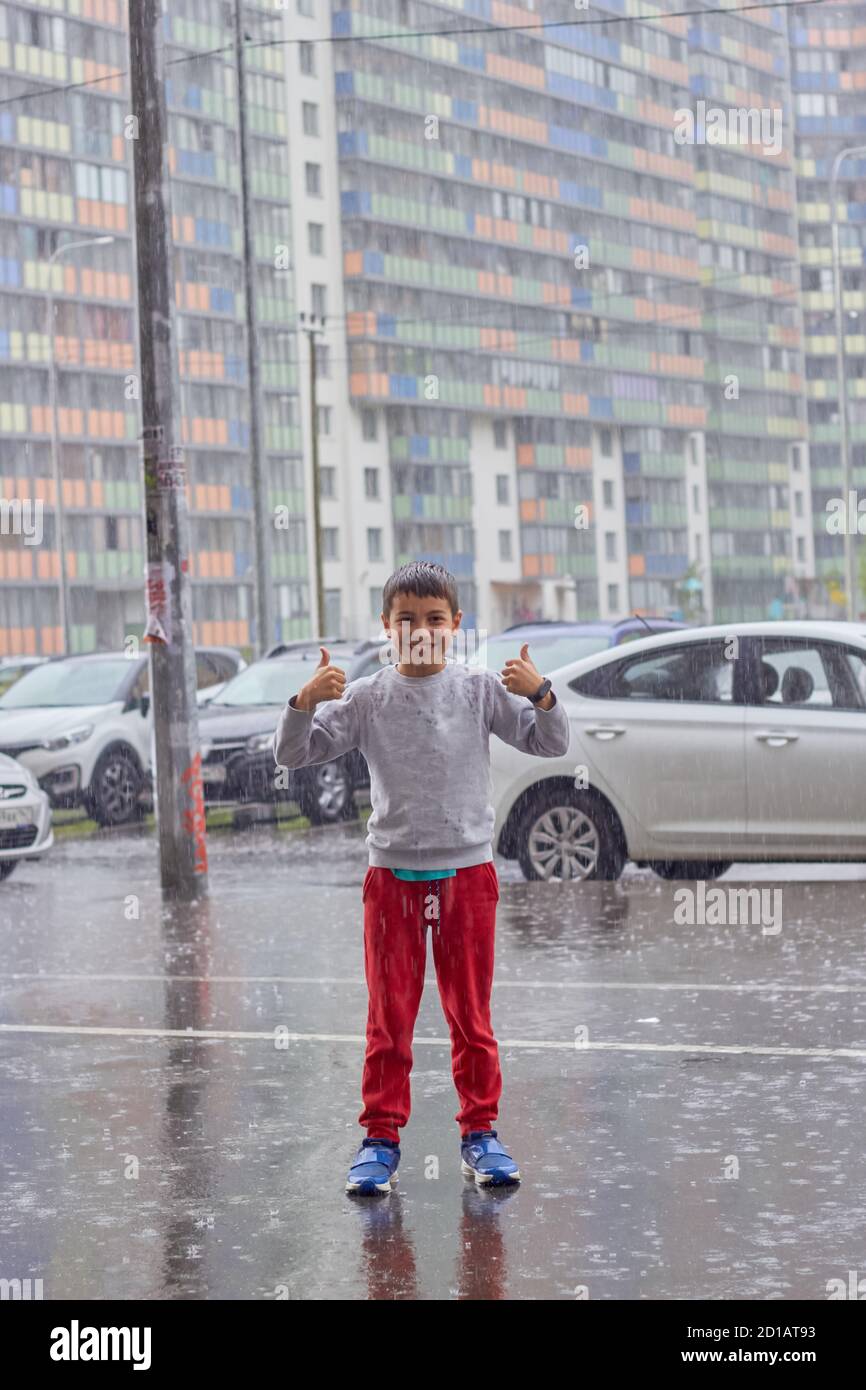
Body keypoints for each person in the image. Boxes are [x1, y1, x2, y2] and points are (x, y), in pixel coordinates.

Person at [273, 561, 570, 1195]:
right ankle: (380, 1140)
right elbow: (293, 754)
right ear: (387, 625)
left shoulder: (479, 690)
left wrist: (541, 693)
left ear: (455, 626)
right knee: (390, 1021)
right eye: (406, 619)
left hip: (467, 876)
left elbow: (550, 743)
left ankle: (481, 1134)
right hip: (393, 883)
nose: (420, 630)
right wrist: (304, 703)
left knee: (471, 1018)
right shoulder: (369, 697)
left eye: (434, 619)